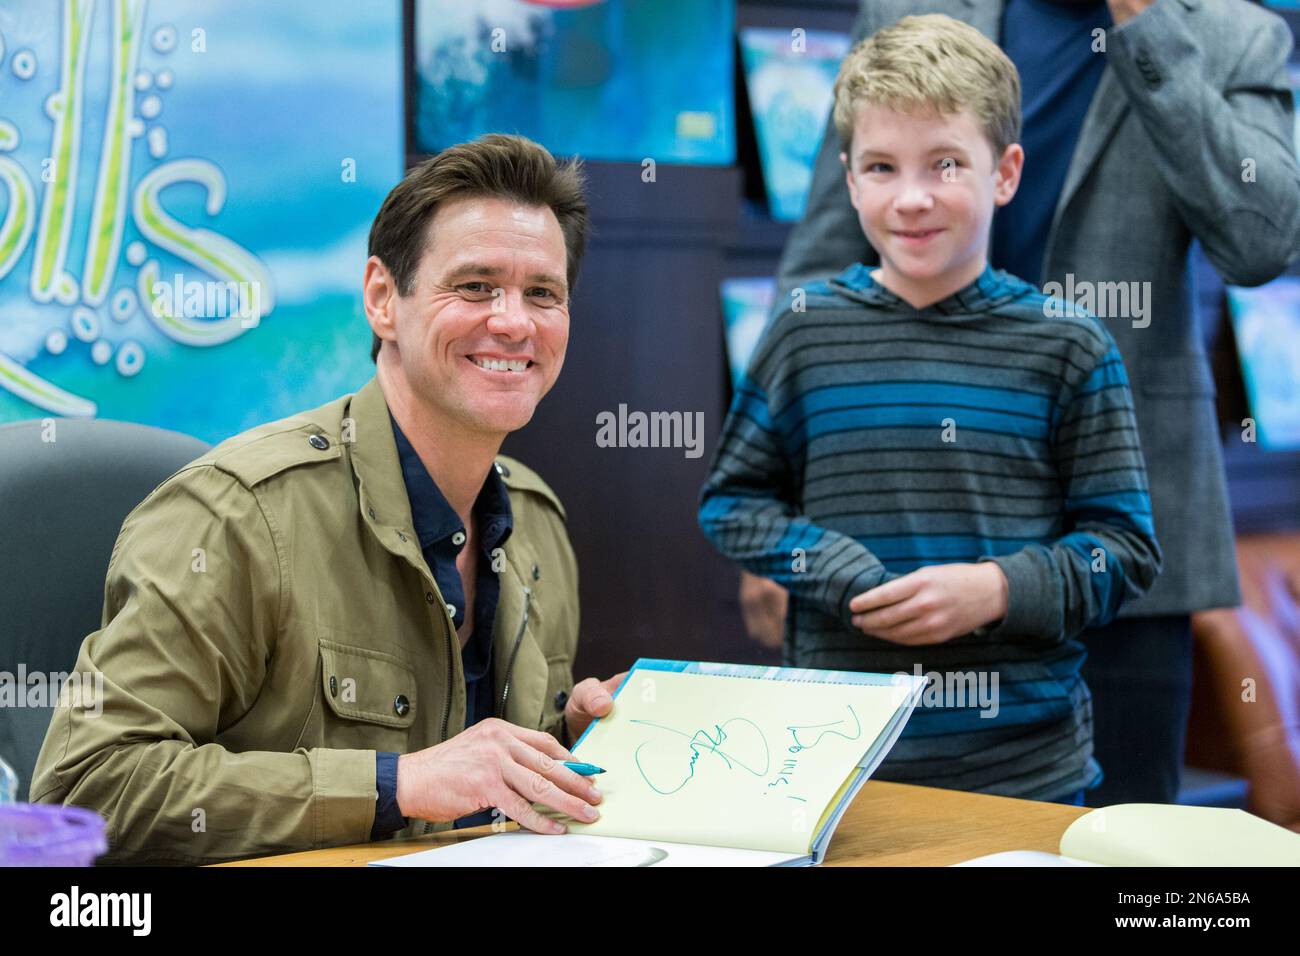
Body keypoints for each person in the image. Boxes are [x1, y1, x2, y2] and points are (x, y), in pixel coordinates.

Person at [742, 0, 1300, 806]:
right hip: (899, 531)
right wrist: (788, 504)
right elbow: (823, 257)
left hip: (1122, 545)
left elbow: (1261, 240)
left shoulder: (1226, 32)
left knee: (1122, 852)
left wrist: (1150, 30)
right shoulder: (907, 12)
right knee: (904, 839)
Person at [32, 134, 623, 864]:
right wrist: (395, 784)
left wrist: (576, 741)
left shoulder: (535, 520)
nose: (513, 321)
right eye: (474, 286)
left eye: (544, 293)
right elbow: (83, 791)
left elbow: (477, 778)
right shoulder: (238, 515)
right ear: (382, 299)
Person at [701, 15, 1162, 802]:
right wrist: (834, 570)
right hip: (833, 768)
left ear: (1005, 172)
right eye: (881, 167)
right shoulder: (804, 330)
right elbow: (734, 504)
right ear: (848, 179)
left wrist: (996, 590)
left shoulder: (1070, 347)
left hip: (1025, 776)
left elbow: (1123, 550)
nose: (911, 199)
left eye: (946, 164)